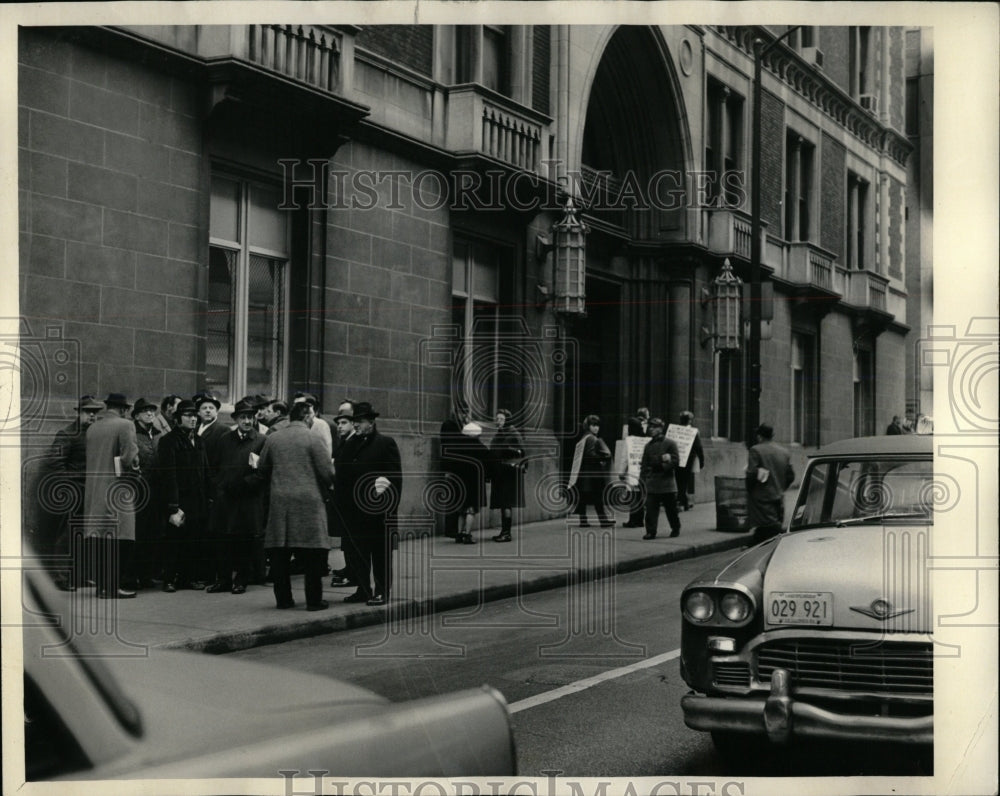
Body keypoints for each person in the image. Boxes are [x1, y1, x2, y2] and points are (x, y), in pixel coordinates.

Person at [258, 400, 334, 611]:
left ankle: (283, 599)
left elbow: (262, 469)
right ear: (307, 417)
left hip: (280, 501)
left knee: (279, 553)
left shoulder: (273, 438)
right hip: (309, 502)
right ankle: (313, 601)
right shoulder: (313, 438)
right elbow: (327, 472)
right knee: (313, 553)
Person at [337, 402, 402, 606]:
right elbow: (342, 476)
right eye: (354, 421)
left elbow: (395, 478)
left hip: (379, 512)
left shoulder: (385, 443)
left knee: (380, 554)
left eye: (360, 422)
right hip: (354, 512)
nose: (356, 425)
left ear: (371, 423)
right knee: (359, 553)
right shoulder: (349, 445)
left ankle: (382, 591)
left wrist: (385, 504)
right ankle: (363, 590)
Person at [38, 395, 103, 590]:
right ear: (79, 412)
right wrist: (69, 484)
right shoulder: (66, 434)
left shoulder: (95, 434)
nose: (92, 416)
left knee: (82, 535)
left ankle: (78, 576)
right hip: (71, 492)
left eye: (95, 412)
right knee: (64, 535)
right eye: (88, 412)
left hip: (89, 492)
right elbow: (54, 462)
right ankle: (58, 577)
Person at [206, 399, 267, 595]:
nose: (247, 421)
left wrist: (244, 484)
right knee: (223, 540)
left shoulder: (260, 441)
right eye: (243, 417)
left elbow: (262, 472)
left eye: (250, 417)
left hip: (247, 499)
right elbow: (213, 467)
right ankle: (223, 580)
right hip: (225, 498)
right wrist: (219, 486)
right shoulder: (225, 439)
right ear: (236, 419)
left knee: (244, 540)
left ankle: (241, 579)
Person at [82, 393, 140, 598]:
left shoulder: (92, 427)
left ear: (108, 407)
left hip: (95, 490)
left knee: (100, 538)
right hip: (117, 488)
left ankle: (102, 587)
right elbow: (129, 457)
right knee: (120, 538)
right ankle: (113, 586)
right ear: (124, 409)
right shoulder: (125, 425)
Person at [157, 400, 211, 591]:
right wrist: (173, 506)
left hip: (198, 500)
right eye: (188, 415)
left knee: (194, 540)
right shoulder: (169, 441)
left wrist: (209, 497)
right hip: (179, 500)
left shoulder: (199, 440)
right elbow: (168, 475)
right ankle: (170, 579)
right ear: (178, 419)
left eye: (195, 415)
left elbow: (205, 471)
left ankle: (188, 577)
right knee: (175, 542)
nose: (193, 419)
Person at [129, 397, 162, 589]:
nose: (150, 414)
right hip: (137, 490)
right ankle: (133, 575)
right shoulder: (132, 433)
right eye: (146, 411)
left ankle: (147, 574)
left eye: (152, 410)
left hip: (155, 491)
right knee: (137, 533)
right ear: (137, 415)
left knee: (152, 533)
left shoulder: (157, 434)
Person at [330, 400, 362, 592]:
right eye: (339, 423)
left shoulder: (354, 442)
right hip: (343, 498)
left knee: (352, 540)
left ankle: (354, 573)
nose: (339, 427)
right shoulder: (345, 442)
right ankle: (350, 569)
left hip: (350, 499)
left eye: (344, 423)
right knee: (347, 540)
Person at [745, 423, 795, 544]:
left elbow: (751, 474)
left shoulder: (756, 450)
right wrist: (782, 487)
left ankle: (758, 544)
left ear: (759, 437)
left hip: (761, 495)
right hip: (778, 495)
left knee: (767, 526)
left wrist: (750, 489)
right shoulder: (784, 452)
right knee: (772, 524)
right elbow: (791, 475)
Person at [638, 417, 681, 540]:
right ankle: (651, 531)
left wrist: (662, 466)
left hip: (667, 483)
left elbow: (676, 461)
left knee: (671, 510)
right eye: (650, 427)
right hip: (652, 483)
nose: (651, 429)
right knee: (651, 510)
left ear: (661, 429)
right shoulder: (648, 446)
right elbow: (644, 465)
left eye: (654, 427)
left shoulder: (670, 443)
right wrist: (641, 481)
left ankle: (675, 527)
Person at [489, 408, 525, 543]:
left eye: (501, 419)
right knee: (503, 503)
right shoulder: (500, 433)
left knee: (506, 503)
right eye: (497, 419)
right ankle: (504, 531)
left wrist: (506, 450)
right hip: (501, 473)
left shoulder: (513, 433)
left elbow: (521, 452)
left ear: (507, 420)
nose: (498, 421)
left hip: (509, 474)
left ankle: (506, 533)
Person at [452, 420, 491, 544]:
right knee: (471, 509)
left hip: (460, 481)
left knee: (461, 510)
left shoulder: (457, 448)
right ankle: (467, 535)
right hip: (475, 481)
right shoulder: (481, 448)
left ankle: (459, 534)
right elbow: (488, 464)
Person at [575, 415, 613, 528]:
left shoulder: (584, 437)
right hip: (593, 473)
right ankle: (603, 520)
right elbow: (590, 455)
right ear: (588, 426)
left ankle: (583, 520)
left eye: (598, 425)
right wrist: (603, 458)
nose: (596, 428)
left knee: (583, 497)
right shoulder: (592, 438)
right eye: (593, 425)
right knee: (598, 497)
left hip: (584, 472)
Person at [622, 406, 652, 528]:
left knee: (633, 496)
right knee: (640, 496)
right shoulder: (645, 439)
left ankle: (632, 520)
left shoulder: (629, 440)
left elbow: (624, 459)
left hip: (632, 472)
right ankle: (640, 520)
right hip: (642, 472)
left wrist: (621, 472)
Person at [674, 410, 705, 511]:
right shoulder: (693, 432)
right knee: (684, 480)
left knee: (680, 480)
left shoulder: (676, 430)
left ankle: (683, 501)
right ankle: (682, 502)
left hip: (678, 458)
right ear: (690, 421)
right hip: (688, 459)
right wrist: (701, 460)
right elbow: (698, 447)